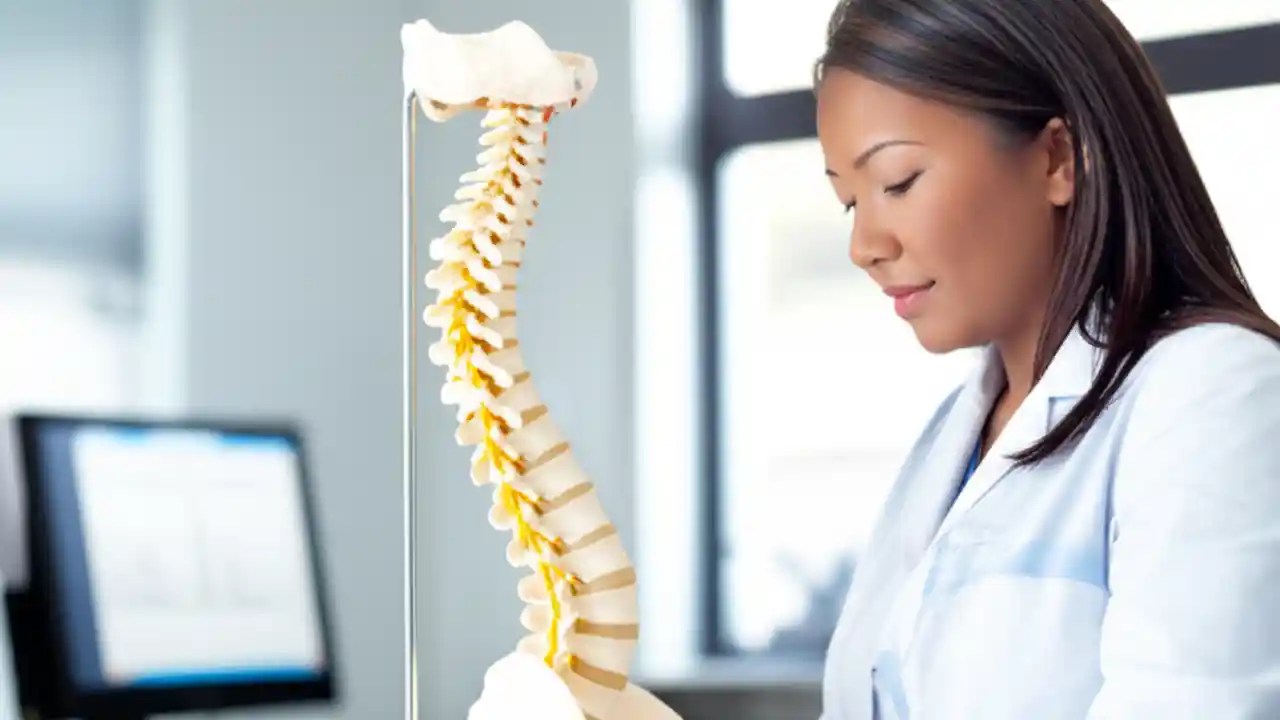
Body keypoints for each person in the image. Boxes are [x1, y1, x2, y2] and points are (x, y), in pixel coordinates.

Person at [813, 1, 1280, 718]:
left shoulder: (1212, 392)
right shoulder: (955, 440)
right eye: (850, 202)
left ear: (1059, 158)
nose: (865, 245)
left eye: (898, 182)